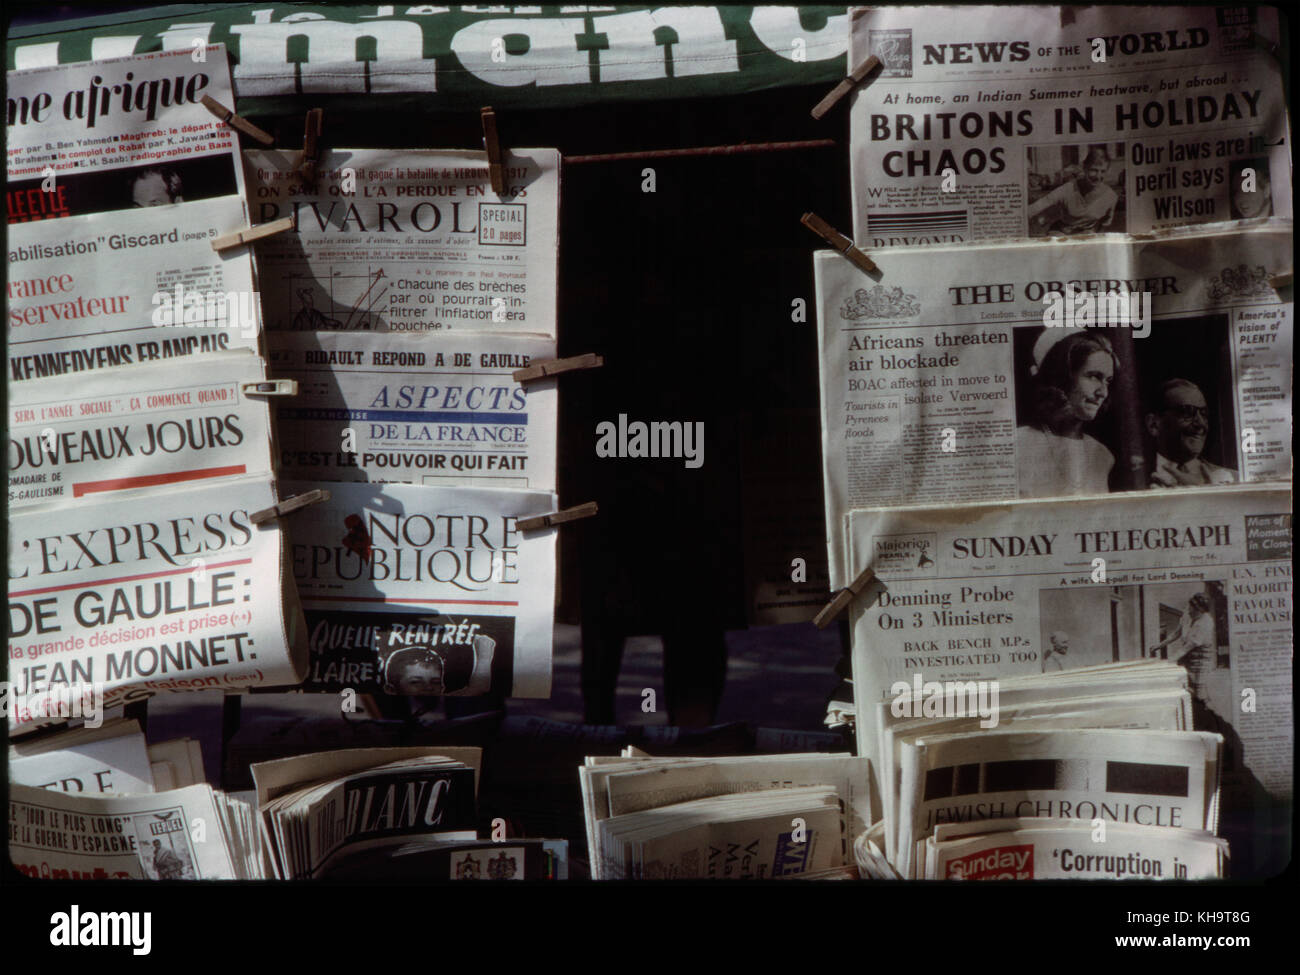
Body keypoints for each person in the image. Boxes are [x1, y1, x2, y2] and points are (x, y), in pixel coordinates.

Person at [1017, 329, 1116, 498]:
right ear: (1062, 376)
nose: (1103, 392)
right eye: (1093, 376)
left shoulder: (1102, 455)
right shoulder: (1018, 443)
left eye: (1108, 381)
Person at [1146, 379, 1237, 486]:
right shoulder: (1129, 480)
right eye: (1187, 412)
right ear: (1154, 424)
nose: (1201, 424)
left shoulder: (1236, 480)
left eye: (1203, 414)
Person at [1028, 147, 1119, 234]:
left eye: (1102, 171)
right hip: (1061, 232)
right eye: (1093, 170)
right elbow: (1040, 204)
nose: (1098, 176)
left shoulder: (1111, 197)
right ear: (1085, 168)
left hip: (1087, 234)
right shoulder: (1068, 189)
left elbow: (1105, 223)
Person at [1149, 593, 1216, 698]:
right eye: (1189, 607)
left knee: (1199, 691)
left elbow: (1187, 647)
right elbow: (1176, 633)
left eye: (1192, 609)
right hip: (1186, 657)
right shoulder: (1187, 615)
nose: (1189, 610)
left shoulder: (1206, 622)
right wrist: (1159, 645)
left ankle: (1203, 707)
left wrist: (1169, 661)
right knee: (1185, 686)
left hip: (1201, 659)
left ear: (1200, 610)